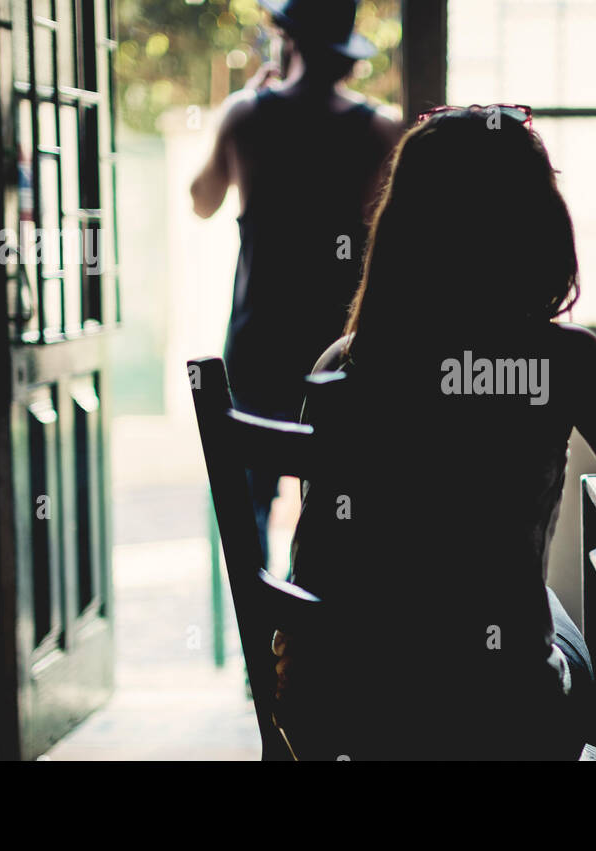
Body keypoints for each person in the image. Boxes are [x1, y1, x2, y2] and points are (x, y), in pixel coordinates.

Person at [277, 105, 596, 761]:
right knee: (563, 637)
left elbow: (334, 555)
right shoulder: (560, 362)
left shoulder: (341, 363)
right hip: (500, 722)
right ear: (533, 229)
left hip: (349, 719)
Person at [190, 0, 401, 566]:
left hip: (258, 341)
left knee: (249, 509)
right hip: (342, 348)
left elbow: (202, 201)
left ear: (289, 39)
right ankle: (317, 641)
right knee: (336, 508)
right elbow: (394, 236)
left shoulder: (245, 116)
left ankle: (263, 645)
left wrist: (239, 109)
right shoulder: (379, 128)